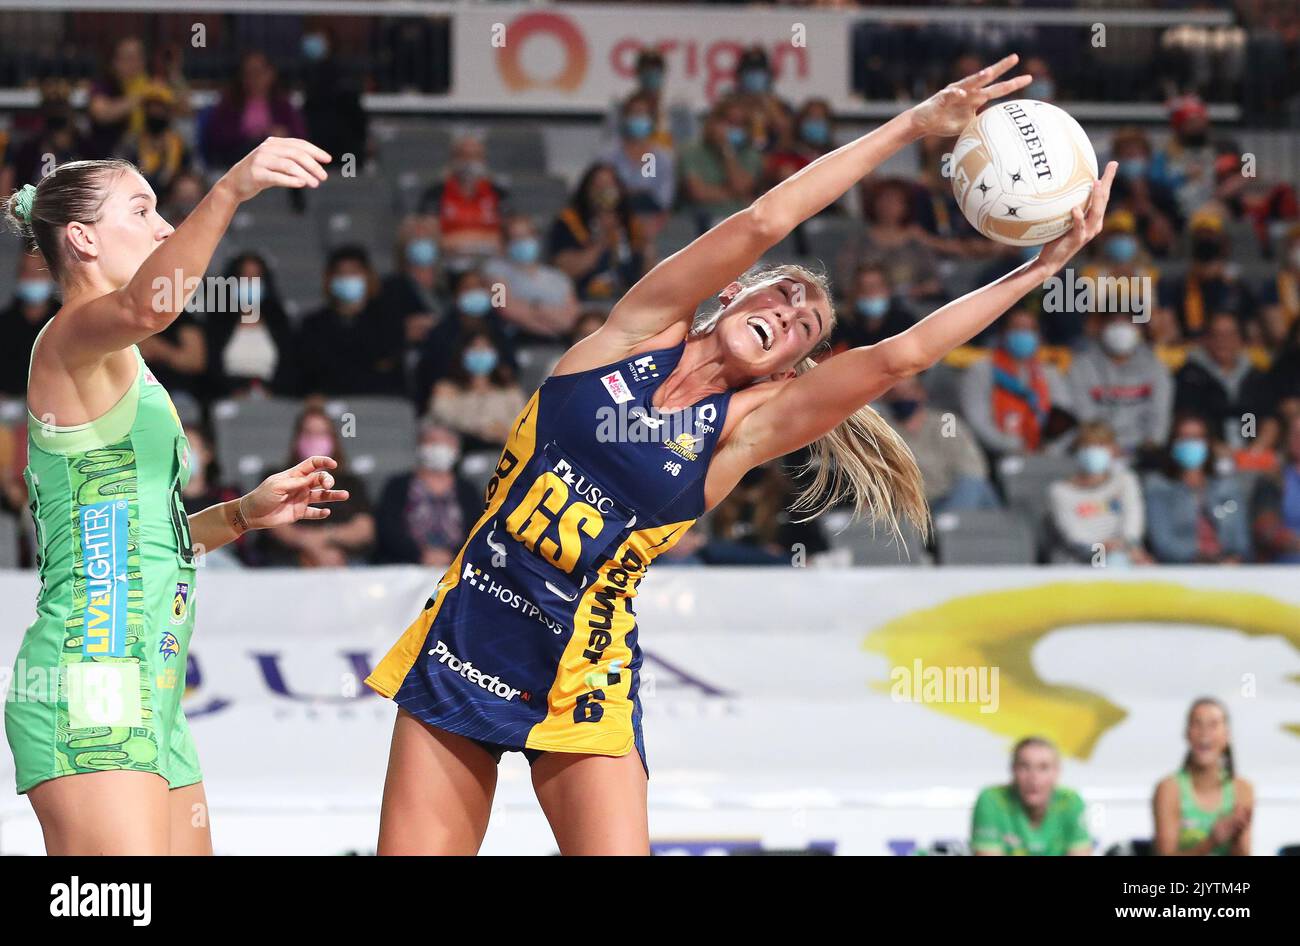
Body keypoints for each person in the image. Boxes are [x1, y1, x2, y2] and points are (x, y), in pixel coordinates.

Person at [365, 56, 1117, 855]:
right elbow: (764, 222)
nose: (789, 311)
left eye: (805, 325)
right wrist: (911, 126)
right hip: (469, 631)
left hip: (581, 673)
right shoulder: (629, 333)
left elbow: (902, 357)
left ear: (789, 370)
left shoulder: (740, 433)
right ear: (732, 294)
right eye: (782, 294)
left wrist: (1040, 269)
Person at [3, 139, 347, 855]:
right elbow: (147, 306)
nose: (162, 227)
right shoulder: (70, 337)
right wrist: (229, 189)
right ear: (82, 238)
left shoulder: (121, 358)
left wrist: (244, 514)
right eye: (143, 209)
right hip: (91, 670)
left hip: (152, 685)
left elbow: (145, 533)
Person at [258, 407, 374, 568]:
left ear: (333, 440)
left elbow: (364, 529)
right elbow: (275, 524)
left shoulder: (351, 482)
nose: (314, 440)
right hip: (289, 563)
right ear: (297, 439)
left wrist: (327, 537)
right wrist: (312, 548)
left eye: (321, 433)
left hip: (345, 562)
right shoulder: (277, 477)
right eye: (308, 433)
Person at [294, 245, 405, 397]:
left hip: (377, 405)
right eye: (341, 274)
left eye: (354, 272)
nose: (347, 279)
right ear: (330, 280)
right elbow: (308, 374)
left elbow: (390, 371)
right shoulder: (313, 325)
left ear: (368, 276)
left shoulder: (388, 321)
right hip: (331, 405)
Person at [961, 307, 1070, 457]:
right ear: (1003, 333)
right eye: (1017, 328)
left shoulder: (1049, 373)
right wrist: (1013, 446)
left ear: (1038, 336)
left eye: (1029, 329)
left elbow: (1064, 418)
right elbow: (977, 421)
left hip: (1046, 454)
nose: (1023, 334)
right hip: (994, 455)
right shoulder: (981, 370)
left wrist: (1050, 449)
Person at [1143, 414, 1251, 564]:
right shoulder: (1158, 488)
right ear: (1173, 443)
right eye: (1184, 437)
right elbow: (1163, 544)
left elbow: (1241, 542)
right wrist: (1205, 557)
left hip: (1227, 571)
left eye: (1196, 437)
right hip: (1182, 570)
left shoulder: (1228, 487)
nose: (1190, 443)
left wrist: (1231, 561)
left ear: (1208, 443)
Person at [1152, 698, 1253, 856]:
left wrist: (1236, 836)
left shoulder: (1242, 789)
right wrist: (1212, 841)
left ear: (1227, 736)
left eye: (1213, 725)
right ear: (1187, 734)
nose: (1204, 732)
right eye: (1197, 724)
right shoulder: (1169, 789)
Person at [885, 375, 999, 514]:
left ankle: (949, 526)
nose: (902, 397)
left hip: (951, 496)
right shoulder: (883, 430)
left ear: (921, 392)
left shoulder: (946, 422)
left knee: (978, 486)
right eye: (894, 393)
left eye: (907, 391)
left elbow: (972, 468)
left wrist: (949, 515)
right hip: (911, 508)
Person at [1067, 311, 1172, 460]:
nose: (1121, 328)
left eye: (1128, 321)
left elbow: (1159, 416)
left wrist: (1149, 446)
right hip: (1095, 447)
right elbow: (1083, 413)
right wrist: (1104, 444)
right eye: (1114, 321)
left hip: (1142, 452)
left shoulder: (1155, 366)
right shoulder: (1081, 365)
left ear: (1139, 328)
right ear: (1102, 326)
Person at [374, 423, 482, 566]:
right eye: (432, 441)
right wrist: (420, 555)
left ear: (457, 449)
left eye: (446, 442)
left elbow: (477, 531)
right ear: (420, 445)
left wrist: (450, 556)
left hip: (457, 567)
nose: (439, 447)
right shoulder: (397, 486)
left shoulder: (468, 490)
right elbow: (388, 529)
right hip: (404, 567)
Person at [1048, 421, 1150, 565]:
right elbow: (1075, 539)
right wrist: (1105, 549)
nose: (1094, 451)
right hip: (1079, 562)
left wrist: (1125, 547)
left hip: (1123, 553)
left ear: (1113, 450)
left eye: (1101, 445)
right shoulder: (1060, 492)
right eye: (1088, 446)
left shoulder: (1125, 480)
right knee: (1112, 563)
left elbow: (1133, 524)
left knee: (1142, 565)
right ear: (1078, 451)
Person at [971, 737, 1092, 856]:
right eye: (1024, 766)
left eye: (1043, 767)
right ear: (1013, 770)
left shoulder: (1070, 801)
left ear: (1057, 772)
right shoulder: (992, 800)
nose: (1033, 777)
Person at [548, 163, 648, 302]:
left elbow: (644, 269)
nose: (605, 191)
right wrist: (602, 241)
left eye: (609, 185)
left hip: (626, 300)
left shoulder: (631, 223)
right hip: (584, 299)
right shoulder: (569, 221)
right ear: (587, 190)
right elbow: (564, 270)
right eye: (598, 185)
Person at [205, 251, 296, 398]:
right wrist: (233, 391)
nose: (250, 283)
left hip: (274, 397)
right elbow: (210, 367)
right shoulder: (217, 321)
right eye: (244, 277)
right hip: (226, 396)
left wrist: (272, 391)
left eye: (256, 278)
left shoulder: (278, 321)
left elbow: (290, 366)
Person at [1173, 312, 1268, 447]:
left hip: (1251, 453)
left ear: (1241, 339)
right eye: (1216, 334)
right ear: (1206, 339)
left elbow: (1269, 417)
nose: (1223, 340)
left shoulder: (1255, 376)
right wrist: (1217, 450)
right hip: (1206, 455)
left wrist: (1254, 450)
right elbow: (1187, 422)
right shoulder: (1189, 377)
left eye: (1230, 334)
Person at [483, 214, 579, 343]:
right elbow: (502, 306)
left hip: (559, 338)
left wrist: (537, 309)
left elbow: (573, 316)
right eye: (516, 238)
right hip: (519, 338)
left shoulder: (559, 277)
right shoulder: (494, 270)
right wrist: (545, 324)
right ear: (505, 244)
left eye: (527, 235)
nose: (523, 242)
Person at [202, 52, 306, 169]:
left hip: (276, 163)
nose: (253, 78)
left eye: (258, 72)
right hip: (237, 162)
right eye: (248, 73)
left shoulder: (283, 104)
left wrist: (284, 134)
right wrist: (253, 136)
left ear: (271, 73)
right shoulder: (228, 105)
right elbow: (216, 139)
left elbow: (300, 137)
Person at [428, 332, 527, 451]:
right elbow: (443, 419)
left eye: (485, 348)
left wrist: (503, 432)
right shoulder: (447, 389)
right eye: (475, 348)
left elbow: (524, 424)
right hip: (463, 448)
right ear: (462, 352)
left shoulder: (510, 390)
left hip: (504, 449)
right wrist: (483, 429)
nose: (480, 353)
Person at [678, 97, 763, 232]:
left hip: (740, 220)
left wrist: (727, 151)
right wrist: (737, 195)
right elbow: (699, 193)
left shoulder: (750, 155)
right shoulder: (691, 150)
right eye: (729, 122)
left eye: (740, 124)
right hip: (700, 220)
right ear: (714, 123)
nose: (734, 128)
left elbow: (741, 187)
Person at [418, 133, 506, 257]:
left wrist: (458, 238)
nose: (469, 162)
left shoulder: (499, 193)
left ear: (484, 159)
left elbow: (508, 238)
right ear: (453, 159)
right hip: (447, 263)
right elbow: (431, 238)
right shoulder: (435, 193)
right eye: (464, 156)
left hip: (492, 264)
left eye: (475, 156)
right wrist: (483, 239)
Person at [0, 251, 58, 397]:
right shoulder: (5, 322)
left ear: (51, 275)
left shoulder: (66, 321)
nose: (32, 277)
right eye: (26, 271)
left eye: (38, 272)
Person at [1250, 413, 1300, 563]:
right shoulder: (1272, 480)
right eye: (1295, 433)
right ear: (1287, 438)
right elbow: (1266, 531)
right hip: (1283, 574)